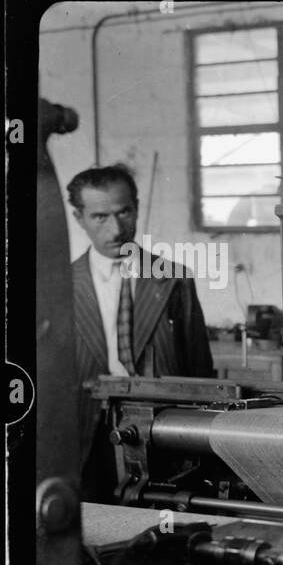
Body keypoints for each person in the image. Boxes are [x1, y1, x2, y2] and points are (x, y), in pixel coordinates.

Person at [67, 164, 214, 501]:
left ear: (136, 206)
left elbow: (200, 369)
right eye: (100, 217)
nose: (116, 228)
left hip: (165, 433)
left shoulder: (174, 279)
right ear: (79, 218)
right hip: (86, 439)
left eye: (124, 212)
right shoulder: (57, 288)